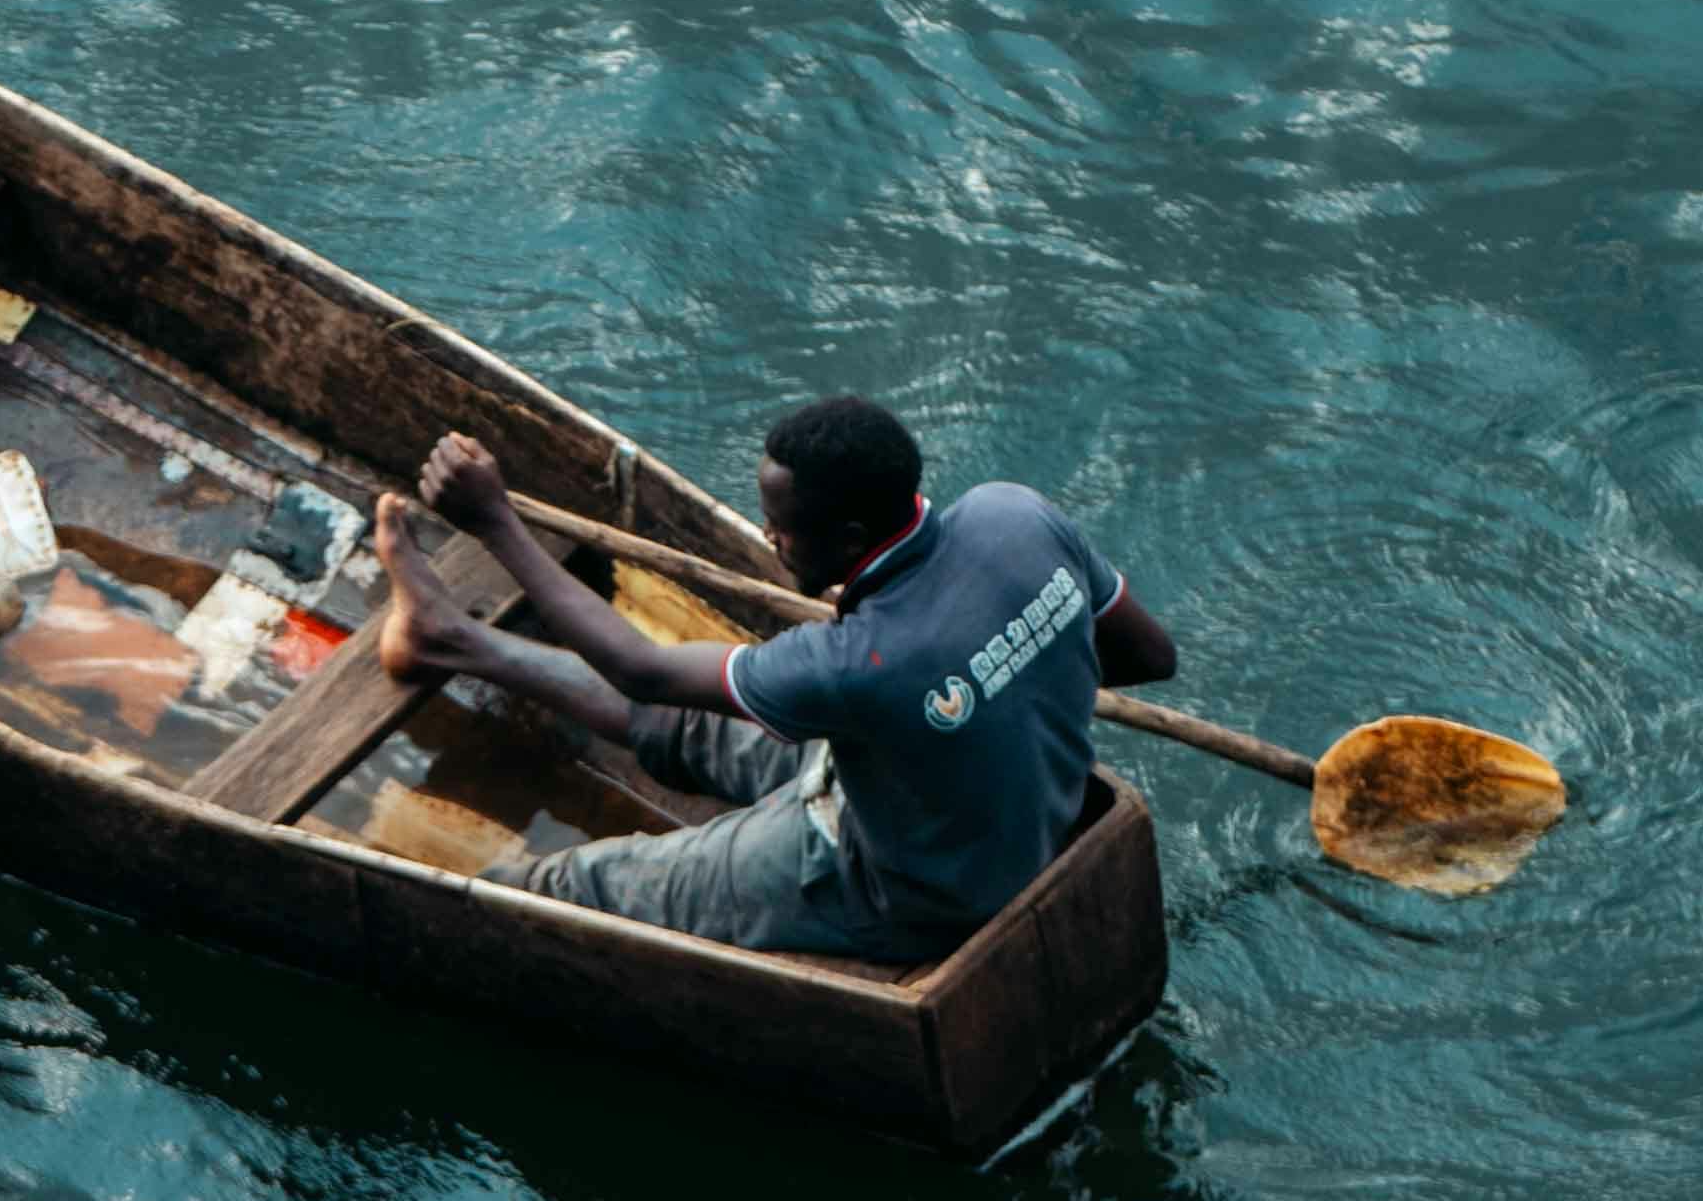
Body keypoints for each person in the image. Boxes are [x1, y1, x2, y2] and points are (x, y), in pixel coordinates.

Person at [369, 395, 1175, 963]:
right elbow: (1149, 657)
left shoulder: (856, 663)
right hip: (965, 799)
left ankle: (445, 907)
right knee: (688, 728)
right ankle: (448, 639)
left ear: (852, 537)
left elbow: (642, 669)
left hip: (902, 886)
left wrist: (497, 521)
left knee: (589, 880)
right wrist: (1003, 677)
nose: (768, 538)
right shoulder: (1015, 514)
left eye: (783, 530)